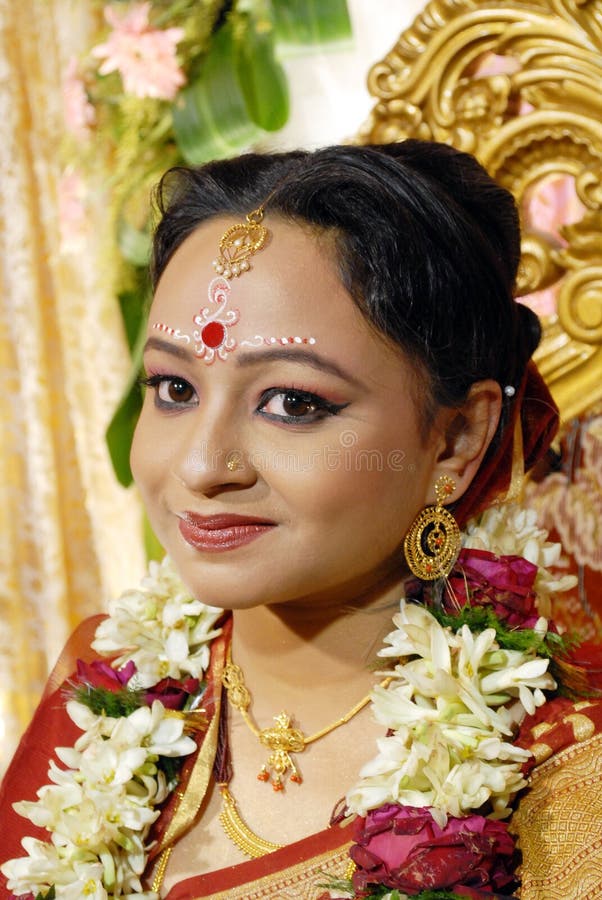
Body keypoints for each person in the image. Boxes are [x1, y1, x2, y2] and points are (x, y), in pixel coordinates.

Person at [1, 141, 600, 900]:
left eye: (293, 402)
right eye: (174, 388)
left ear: (456, 440)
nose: (201, 465)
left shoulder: (562, 795)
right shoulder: (100, 694)